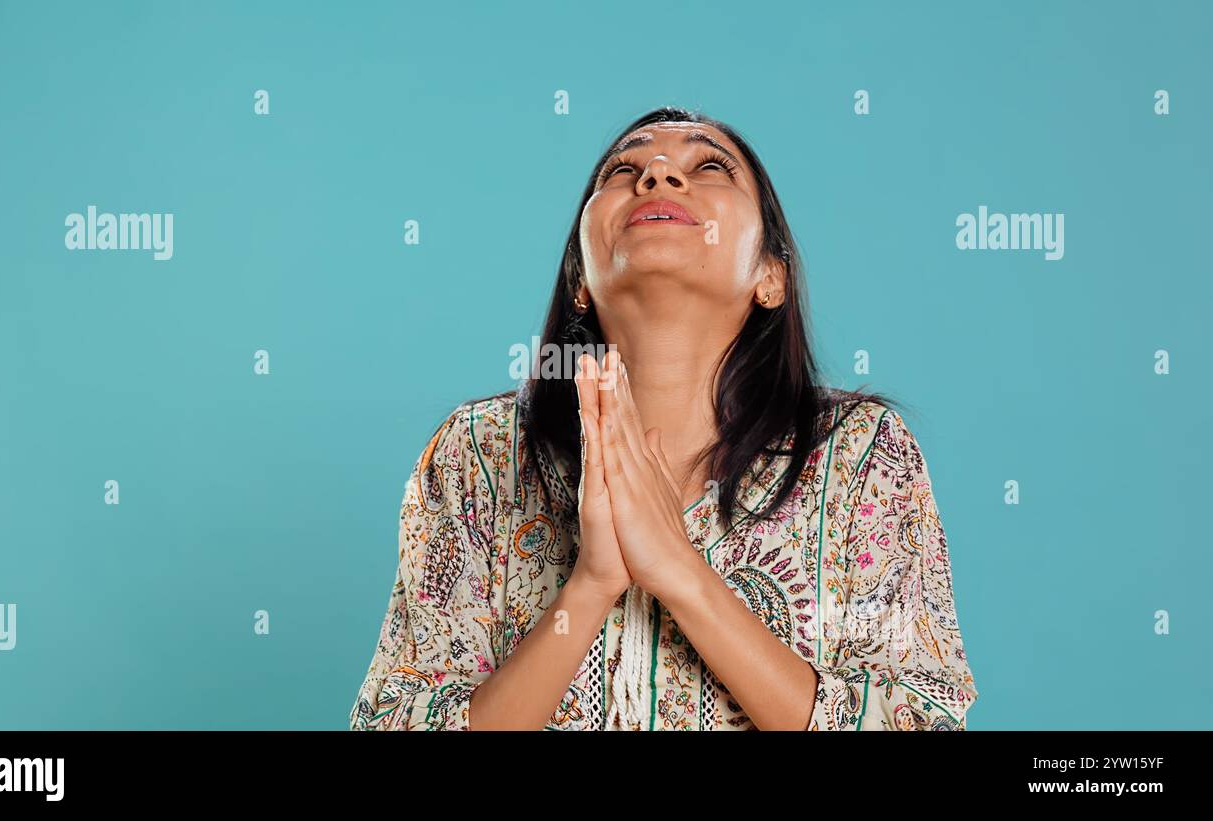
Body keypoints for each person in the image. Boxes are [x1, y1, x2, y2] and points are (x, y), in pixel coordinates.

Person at [349, 106, 979, 731]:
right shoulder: (478, 455)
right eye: (624, 170)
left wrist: (681, 573)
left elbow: (918, 721)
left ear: (771, 276)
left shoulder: (859, 452)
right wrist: (591, 586)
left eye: (708, 165)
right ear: (580, 280)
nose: (655, 175)